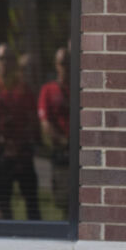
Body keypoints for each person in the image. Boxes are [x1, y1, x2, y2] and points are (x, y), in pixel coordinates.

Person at [0, 42, 41, 220]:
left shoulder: (24, 89)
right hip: (0, 154)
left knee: (32, 203)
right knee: (2, 205)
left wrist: (20, 143)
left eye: (9, 58)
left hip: (22, 152)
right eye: (1, 58)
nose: (5, 62)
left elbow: (33, 121)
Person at [37, 44, 72, 215]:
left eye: (68, 62)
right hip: (62, 150)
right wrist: (64, 140)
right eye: (62, 62)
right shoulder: (48, 90)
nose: (65, 66)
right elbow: (45, 123)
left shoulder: (79, 88)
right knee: (64, 198)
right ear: (56, 64)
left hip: (80, 151)